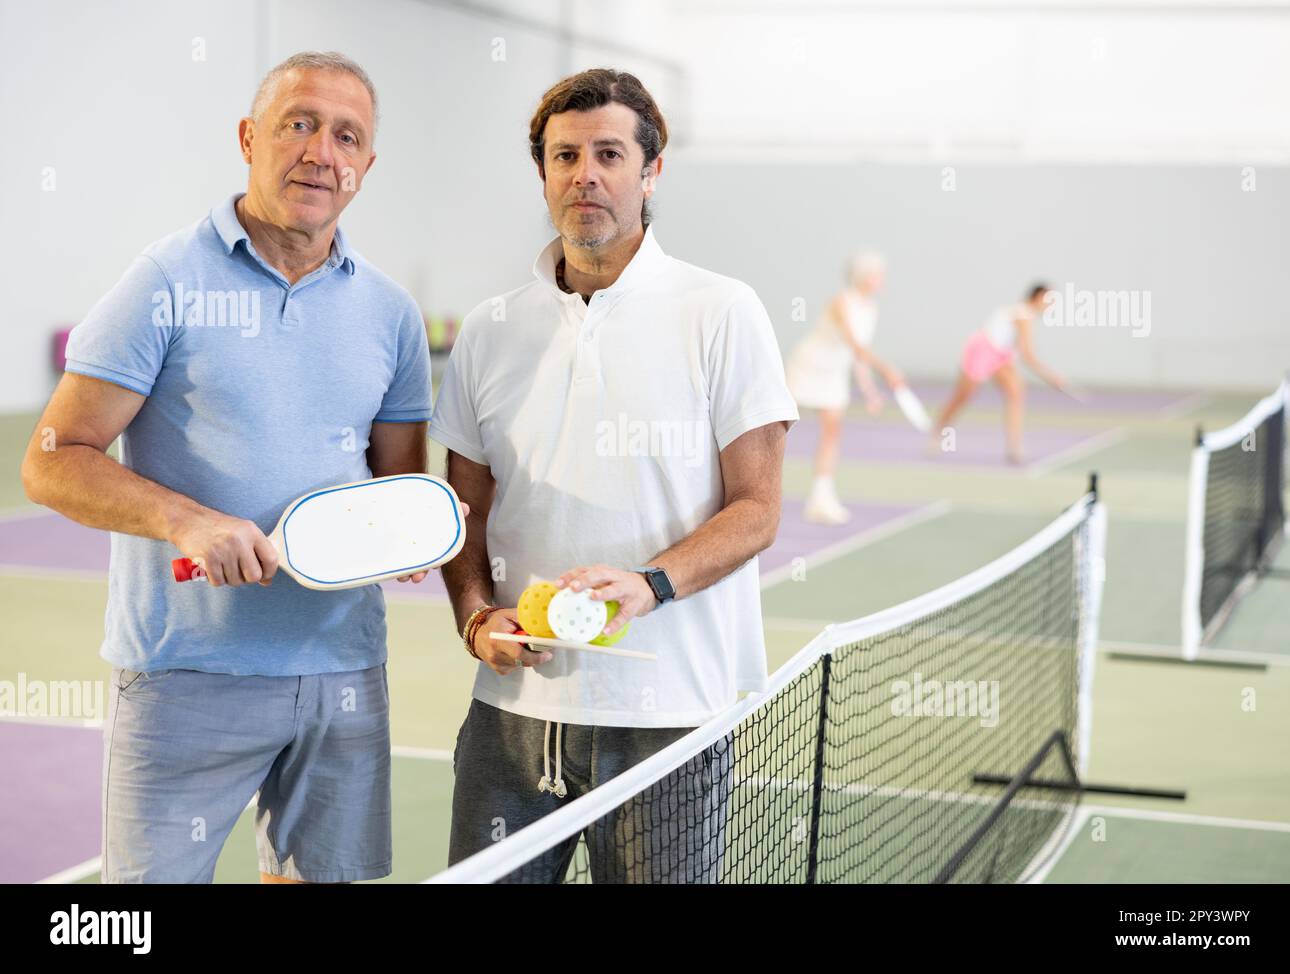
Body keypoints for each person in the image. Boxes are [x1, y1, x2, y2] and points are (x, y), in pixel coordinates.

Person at [20, 52, 435, 883]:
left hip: (341, 673)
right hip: (185, 677)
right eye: (299, 124)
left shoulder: (390, 313)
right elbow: (52, 462)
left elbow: (399, 495)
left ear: (366, 168)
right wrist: (188, 520)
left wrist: (406, 543)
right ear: (250, 138)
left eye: (346, 136)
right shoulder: (164, 281)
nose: (322, 150)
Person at [432, 68, 799, 882]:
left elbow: (758, 510)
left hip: (667, 718)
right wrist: (472, 618)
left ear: (651, 171)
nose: (585, 174)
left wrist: (650, 585)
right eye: (565, 156)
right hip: (511, 721)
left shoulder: (723, 311)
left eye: (608, 153)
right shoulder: (490, 331)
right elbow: (465, 509)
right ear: (542, 174)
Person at [785, 252, 905, 523]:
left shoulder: (872, 309)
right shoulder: (841, 302)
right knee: (777, 427)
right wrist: (886, 369)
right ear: (863, 276)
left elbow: (857, 355)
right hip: (808, 366)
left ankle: (821, 498)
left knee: (832, 432)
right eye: (877, 274)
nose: (881, 279)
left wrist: (870, 391)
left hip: (834, 373)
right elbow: (855, 344)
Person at [932, 283, 1070, 465]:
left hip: (1001, 355)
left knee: (1016, 392)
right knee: (962, 396)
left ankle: (1014, 448)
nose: (1050, 305)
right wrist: (1052, 377)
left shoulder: (1026, 315)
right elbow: (1028, 355)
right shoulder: (1023, 315)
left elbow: (1014, 348)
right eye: (1049, 300)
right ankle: (937, 434)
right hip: (982, 349)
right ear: (1037, 297)